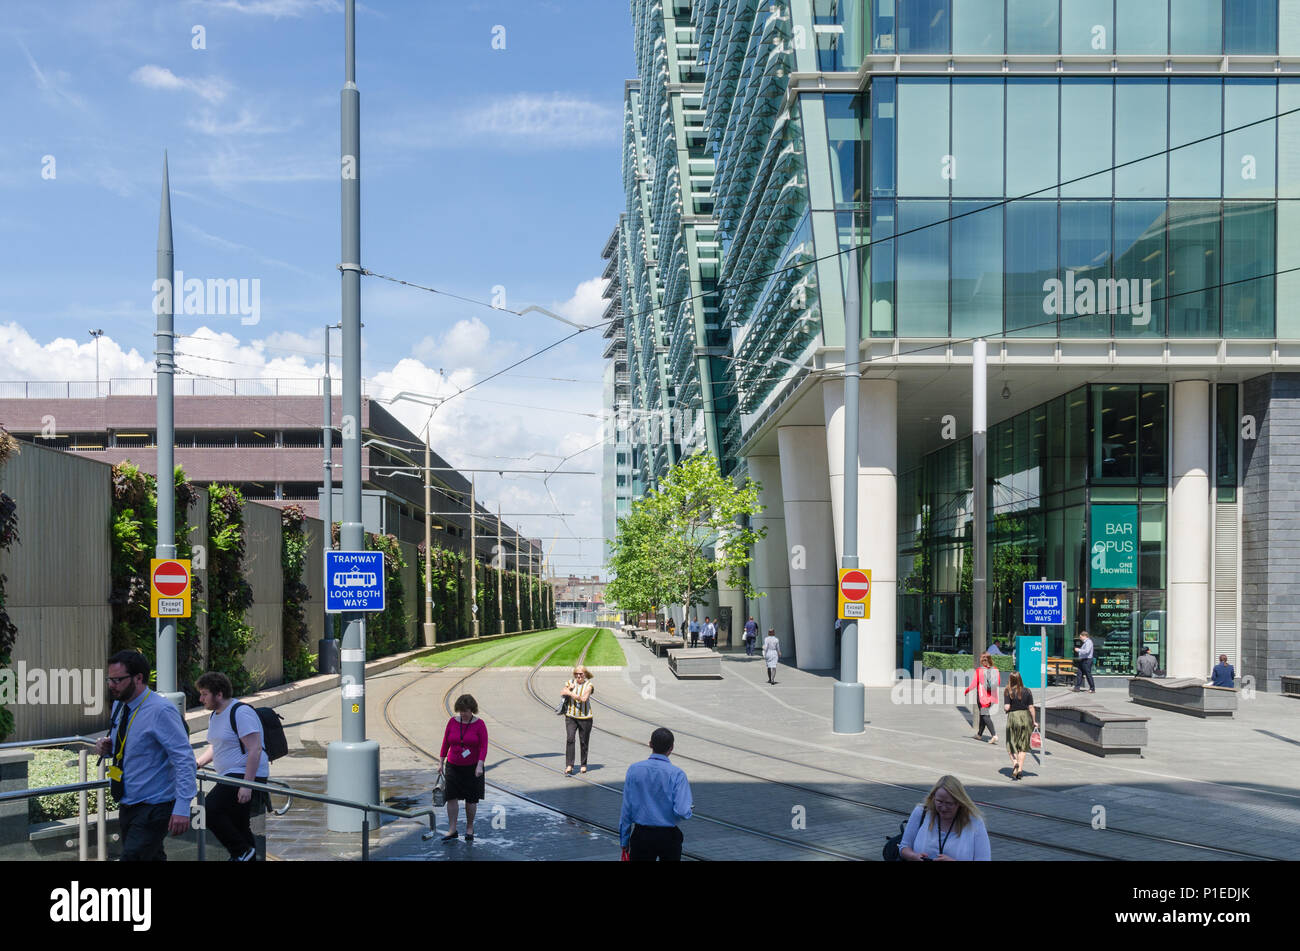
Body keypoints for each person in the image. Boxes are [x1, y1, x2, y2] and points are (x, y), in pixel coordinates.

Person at [94, 650, 196, 861]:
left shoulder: (160, 711)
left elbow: (184, 759)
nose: (111, 685)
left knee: (132, 858)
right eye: (109, 679)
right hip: (127, 801)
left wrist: (183, 806)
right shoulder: (120, 706)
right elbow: (129, 745)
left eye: (117, 679)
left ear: (138, 678)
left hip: (154, 806)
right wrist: (108, 748)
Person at [194, 671, 269, 861]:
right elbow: (217, 747)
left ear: (219, 694)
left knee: (209, 809)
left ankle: (241, 852)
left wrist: (247, 785)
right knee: (239, 824)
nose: (200, 698)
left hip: (243, 774)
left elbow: (255, 749)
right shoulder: (215, 716)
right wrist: (198, 763)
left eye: (204, 694)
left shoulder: (241, 712)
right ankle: (247, 855)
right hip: (230, 774)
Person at [618, 727, 693, 861]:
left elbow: (626, 809)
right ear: (672, 748)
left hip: (642, 835)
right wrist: (688, 811)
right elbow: (682, 811)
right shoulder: (677, 774)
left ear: (650, 744)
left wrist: (624, 840)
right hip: (668, 836)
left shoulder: (634, 770)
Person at [898, 775, 991, 861]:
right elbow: (904, 847)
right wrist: (913, 856)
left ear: (960, 802)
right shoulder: (921, 812)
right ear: (933, 797)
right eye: (939, 801)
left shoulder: (974, 822)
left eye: (949, 803)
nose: (943, 808)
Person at [437, 694, 487, 842]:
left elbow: (483, 746)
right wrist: (441, 762)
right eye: (460, 711)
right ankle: (452, 829)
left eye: (466, 711)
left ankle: (469, 828)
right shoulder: (452, 722)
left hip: (472, 768)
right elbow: (445, 742)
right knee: (451, 797)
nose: (463, 714)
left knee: (471, 799)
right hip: (453, 766)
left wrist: (480, 765)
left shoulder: (480, 724)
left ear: (472, 710)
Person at [1002, 672, 1038, 781]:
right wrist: (1034, 721)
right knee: (1023, 746)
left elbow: (1007, 707)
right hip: (1025, 717)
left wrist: (1005, 708)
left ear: (1010, 680)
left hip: (1013, 718)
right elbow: (1031, 707)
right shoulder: (1027, 691)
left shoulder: (1008, 691)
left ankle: (1015, 763)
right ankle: (1020, 770)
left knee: (1010, 743)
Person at [561, 666, 594, 775]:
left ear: (585, 674)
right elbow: (562, 692)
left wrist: (570, 693)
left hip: (585, 718)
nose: (578, 676)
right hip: (570, 716)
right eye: (576, 674)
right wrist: (569, 689)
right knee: (570, 739)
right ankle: (569, 765)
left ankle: (583, 764)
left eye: (581, 674)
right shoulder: (570, 682)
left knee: (584, 741)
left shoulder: (589, 685)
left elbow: (584, 699)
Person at [963, 653, 1000, 745]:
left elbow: (974, 684)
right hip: (991, 697)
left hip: (982, 697)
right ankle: (979, 735)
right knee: (983, 715)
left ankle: (994, 735)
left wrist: (966, 691)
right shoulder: (995, 669)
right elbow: (998, 682)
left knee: (985, 716)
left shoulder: (979, 670)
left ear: (982, 661)